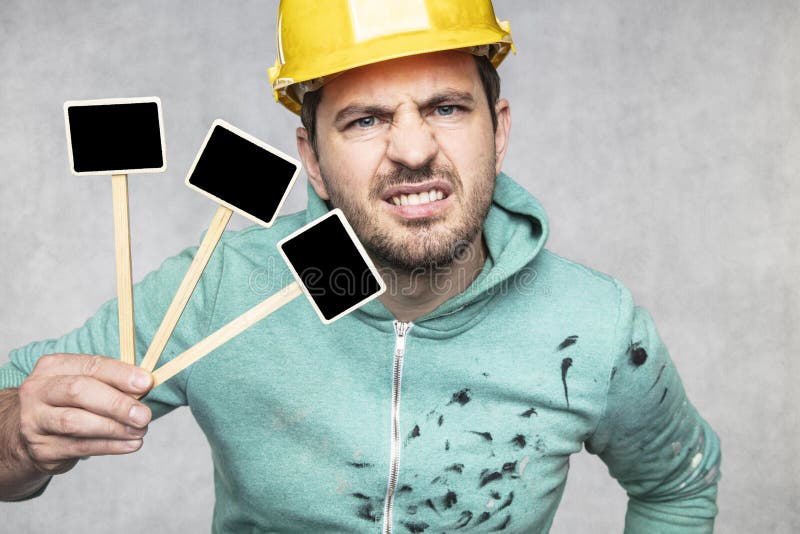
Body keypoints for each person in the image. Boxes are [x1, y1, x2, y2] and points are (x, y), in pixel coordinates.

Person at [0, 0, 721, 531]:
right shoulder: (222, 286)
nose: (412, 151)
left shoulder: (594, 326)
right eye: (366, 119)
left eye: (444, 107)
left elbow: (677, 484)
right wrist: (18, 437)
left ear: (497, 132)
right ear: (310, 158)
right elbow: (9, 409)